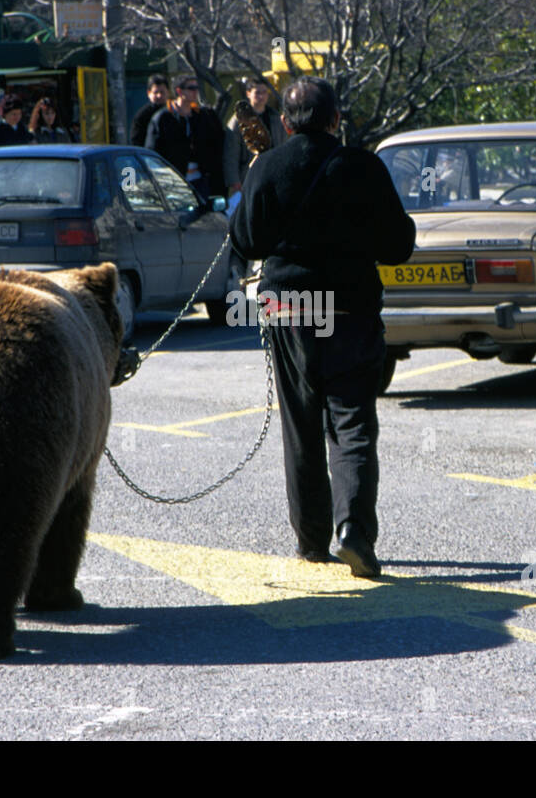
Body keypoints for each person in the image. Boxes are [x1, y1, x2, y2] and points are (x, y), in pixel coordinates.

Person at [228, 77, 416, 577]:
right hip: (351, 311)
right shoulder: (365, 167)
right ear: (336, 120)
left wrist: (255, 185)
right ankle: (354, 531)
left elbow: (245, 242)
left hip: (290, 309)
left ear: (286, 123)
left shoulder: (267, 166)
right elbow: (399, 246)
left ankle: (311, 541)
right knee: (352, 424)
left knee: (301, 425)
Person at [145, 74, 226, 200]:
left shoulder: (202, 116)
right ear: (179, 91)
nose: (195, 92)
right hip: (173, 181)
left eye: (196, 88)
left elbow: (214, 145)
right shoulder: (163, 118)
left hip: (200, 179)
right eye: (191, 88)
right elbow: (152, 151)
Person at [224, 77, 287, 197]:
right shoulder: (239, 120)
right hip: (247, 174)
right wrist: (234, 181)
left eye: (264, 92)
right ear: (248, 94)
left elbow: (282, 146)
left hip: (272, 173)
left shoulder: (275, 118)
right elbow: (231, 153)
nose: (261, 96)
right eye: (257, 92)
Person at [129, 73, 169, 147]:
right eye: (156, 92)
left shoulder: (173, 112)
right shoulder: (142, 115)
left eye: (162, 92)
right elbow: (136, 141)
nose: (159, 96)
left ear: (168, 92)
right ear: (149, 93)